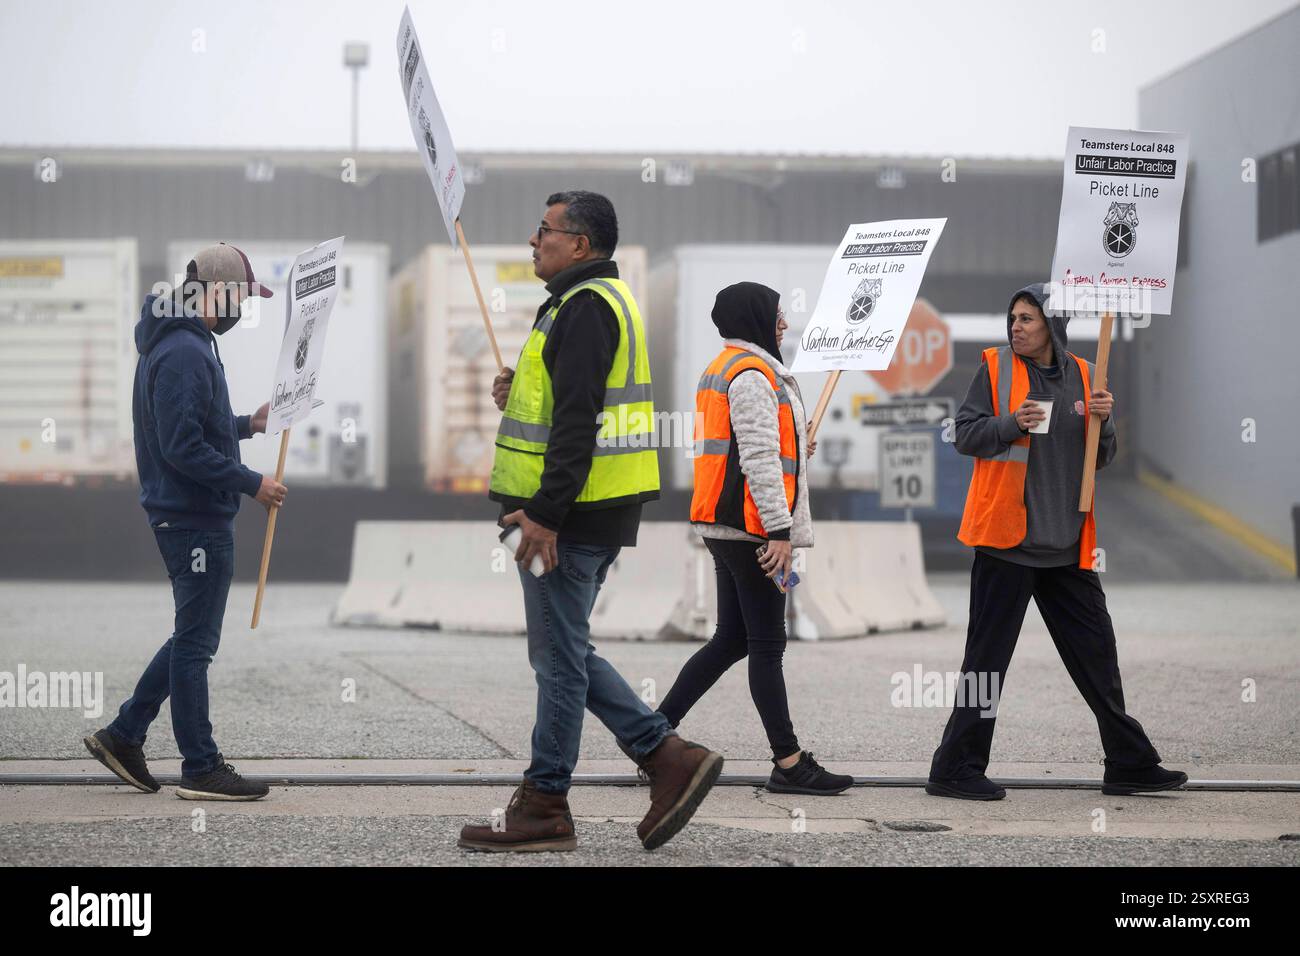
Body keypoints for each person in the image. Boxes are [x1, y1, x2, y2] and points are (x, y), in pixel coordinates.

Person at [457, 191, 724, 852]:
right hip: (591, 512)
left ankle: (547, 801)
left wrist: (546, 515)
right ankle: (667, 758)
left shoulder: (584, 308)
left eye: (543, 230)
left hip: (570, 519)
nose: (532, 240)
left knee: (558, 660)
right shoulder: (591, 303)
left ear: (578, 243)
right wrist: (517, 388)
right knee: (563, 648)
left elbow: (579, 421)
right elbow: (571, 402)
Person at [925, 282, 1187, 800]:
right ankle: (954, 767)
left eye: (1027, 318)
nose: (1016, 327)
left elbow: (1100, 458)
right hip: (1005, 544)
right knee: (986, 662)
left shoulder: (1088, 377)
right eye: (1014, 318)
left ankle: (1128, 761)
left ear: (1053, 325)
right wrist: (1009, 423)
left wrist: (1104, 424)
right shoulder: (996, 368)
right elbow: (963, 434)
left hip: (1066, 546)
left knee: (1097, 656)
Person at [84, 243, 287, 801]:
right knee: (196, 645)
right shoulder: (183, 351)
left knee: (189, 638)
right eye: (244, 297)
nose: (246, 308)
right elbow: (182, 446)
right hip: (192, 519)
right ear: (218, 292)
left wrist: (248, 423)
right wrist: (252, 483)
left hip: (190, 514)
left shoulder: (184, 342)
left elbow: (198, 424)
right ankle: (200, 768)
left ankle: (124, 735)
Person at [655, 282, 854, 796]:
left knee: (732, 640)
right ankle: (789, 763)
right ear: (755, 317)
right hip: (753, 530)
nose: (784, 321)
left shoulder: (729, 367)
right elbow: (760, 461)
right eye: (777, 313)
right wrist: (779, 533)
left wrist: (799, 443)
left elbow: (762, 447)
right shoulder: (750, 375)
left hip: (731, 527)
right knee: (767, 645)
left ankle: (649, 737)